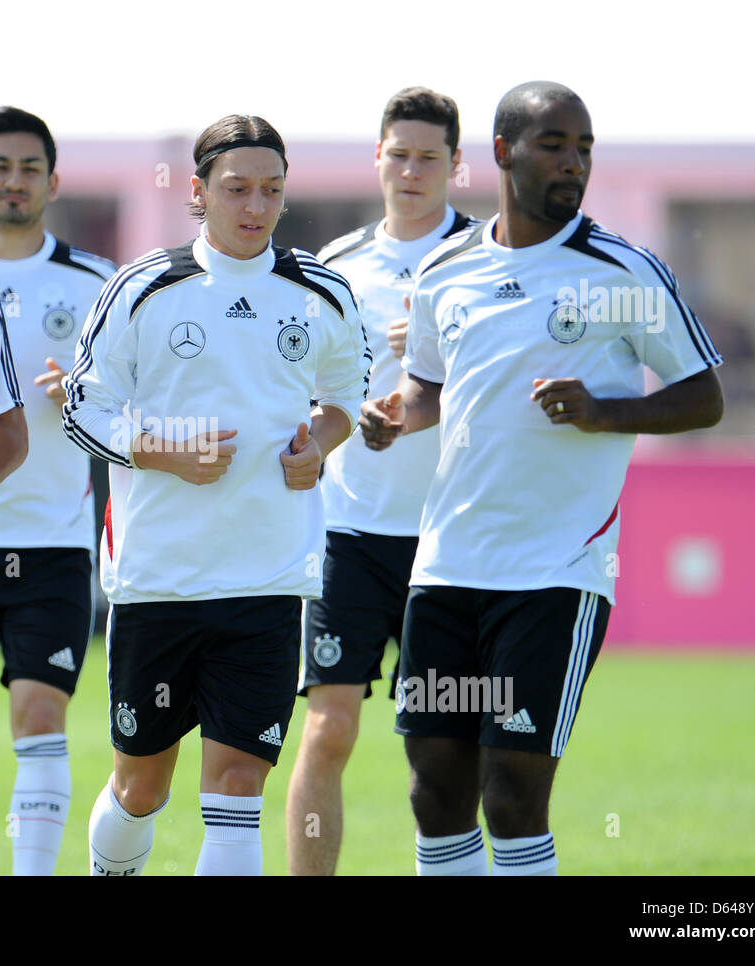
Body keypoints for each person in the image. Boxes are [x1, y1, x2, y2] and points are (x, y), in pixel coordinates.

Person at [360, 81, 724, 875]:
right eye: (553, 145)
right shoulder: (448, 271)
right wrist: (397, 415)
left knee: (513, 798)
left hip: (555, 573)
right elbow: (428, 385)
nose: (573, 164)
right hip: (446, 569)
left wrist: (603, 413)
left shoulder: (623, 271)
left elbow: (705, 396)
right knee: (435, 794)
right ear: (501, 153)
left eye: (583, 148)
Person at [64, 115, 371, 875]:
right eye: (237, 189)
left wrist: (319, 445)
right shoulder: (143, 288)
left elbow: (348, 396)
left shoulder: (321, 293)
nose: (256, 206)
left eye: (271, 190)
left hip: (268, 581)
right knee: (141, 785)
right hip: (157, 582)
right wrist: (164, 453)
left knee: (237, 788)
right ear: (198, 191)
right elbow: (82, 410)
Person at [285, 87, 476, 876]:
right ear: (377, 157)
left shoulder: (487, 258)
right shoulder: (336, 265)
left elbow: (514, 388)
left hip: (455, 535)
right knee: (328, 729)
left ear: (457, 166)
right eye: (398, 153)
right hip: (351, 530)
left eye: (429, 156)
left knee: (444, 741)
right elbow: (300, 379)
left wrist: (445, 351)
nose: (411, 169)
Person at [0, 105, 113, 875]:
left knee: (40, 716)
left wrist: (84, 396)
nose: (14, 181)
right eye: (0, 166)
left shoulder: (98, 285)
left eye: (29, 169)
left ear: (52, 182)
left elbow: (136, 405)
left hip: (52, 540)